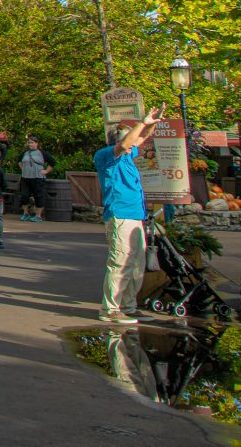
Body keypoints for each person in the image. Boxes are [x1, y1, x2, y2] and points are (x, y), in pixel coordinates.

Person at [95, 107, 165, 324]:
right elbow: (126, 143)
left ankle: (127, 305)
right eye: (128, 137)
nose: (133, 143)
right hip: (120, 214)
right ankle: (110, 308)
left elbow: (142, 137)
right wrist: (142, 122)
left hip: (135, 215)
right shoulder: (107, 155)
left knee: (135, 263)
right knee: (120, 261)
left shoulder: (127, 154)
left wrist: (152, 122)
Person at [18, 136, 55, 222]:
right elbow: (19, 161)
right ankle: (26, 213)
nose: (30, 144)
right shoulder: (25, 153)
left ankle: (38, 216)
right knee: (24, 195)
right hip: (25, 178)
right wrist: (23, 169)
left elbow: (52, 162)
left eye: (32, 142)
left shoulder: (42, 153)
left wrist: (46, 171)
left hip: (38, 178)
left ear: (36, 143)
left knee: (39, 196)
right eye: (29, 142)